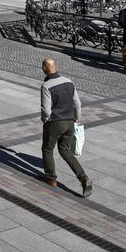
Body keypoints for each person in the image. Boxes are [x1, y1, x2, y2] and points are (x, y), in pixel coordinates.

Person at [38, 58, 91, 196]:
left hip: (55, 122)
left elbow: (46, 109)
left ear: (44, 69)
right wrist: (75, 118)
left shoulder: (46, 86)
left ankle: (51, 178)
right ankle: (83, 177)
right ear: (56, 67)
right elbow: (77, 103)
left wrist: (45, 120)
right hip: (69, 122)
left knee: (47, 149)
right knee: (65, 150)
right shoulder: (69, 81)